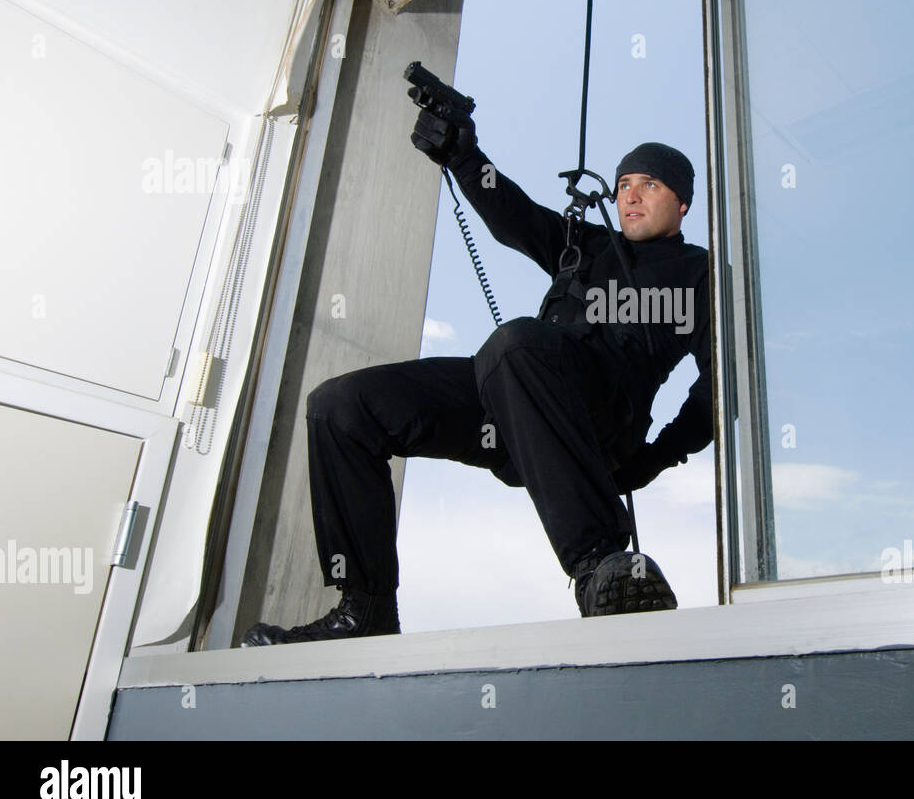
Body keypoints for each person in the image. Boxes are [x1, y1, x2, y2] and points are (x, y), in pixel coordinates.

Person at [240, 91, 711, 646]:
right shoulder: (583, 244)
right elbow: (513, 215)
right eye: (625, 184)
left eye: (650, 184)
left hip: (599, 424)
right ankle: (364, 608)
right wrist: (465, 156)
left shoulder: (698, 272)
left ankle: (600, 563)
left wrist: (654, 459)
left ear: (682, 203)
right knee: (340, 406)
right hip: (516, 400)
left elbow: (719, 385)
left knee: (516, 343)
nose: (631, 196)